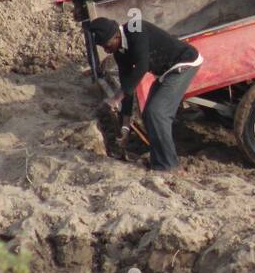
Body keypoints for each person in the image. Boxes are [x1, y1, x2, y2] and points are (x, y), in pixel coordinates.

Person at [86, 17, 203, 172]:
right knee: (148, 113)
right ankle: (158, 162)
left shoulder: (136, 29)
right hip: (165, 72)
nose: (106, 50)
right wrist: (126, 126)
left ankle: (169, 166)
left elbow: (142, 66)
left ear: (116, 36)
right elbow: (127, 86)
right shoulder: (120, 53)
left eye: (107, 45)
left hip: (184, 63)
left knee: (158, 112)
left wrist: (115, 98)